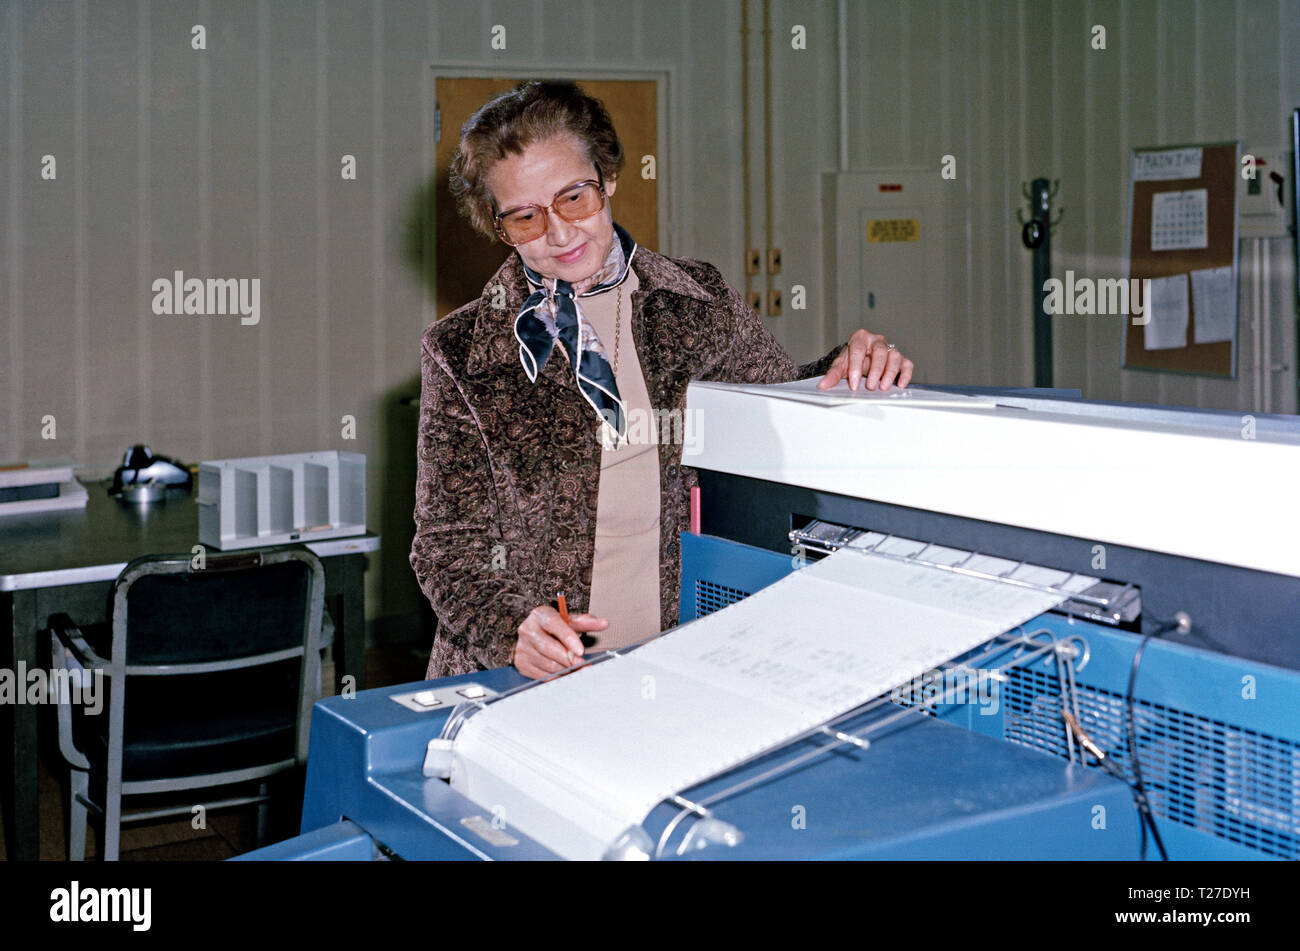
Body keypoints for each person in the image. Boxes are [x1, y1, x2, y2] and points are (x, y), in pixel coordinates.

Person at [411, 81, 913, 681]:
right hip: (525, 678)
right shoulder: (462, 352)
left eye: (575, 197)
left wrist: (850, 364)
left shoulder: (694, 302)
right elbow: (447, 543)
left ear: (609, 180)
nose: (560, 233)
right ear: (497, 225)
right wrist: (512, 627)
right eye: (525, 216)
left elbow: (772, 403)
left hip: (675, 660)